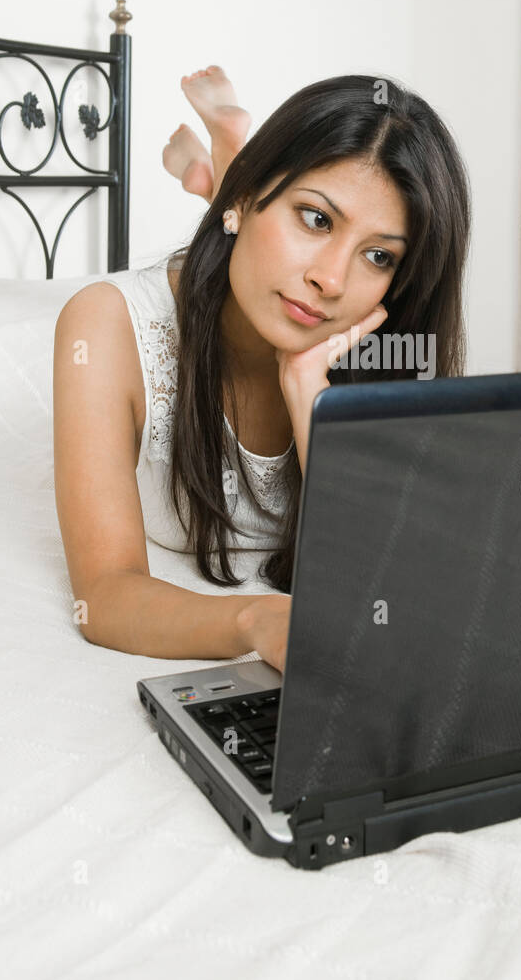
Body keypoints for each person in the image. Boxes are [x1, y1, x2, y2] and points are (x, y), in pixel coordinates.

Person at [53, 66, 471, 670]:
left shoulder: (384, 351)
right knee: (243, 257)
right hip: (232, 225)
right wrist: (260, 619)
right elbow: (104, 595)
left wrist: (309, 398)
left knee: (263, 266)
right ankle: (225, 161)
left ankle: (228, 164)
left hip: (248, 223)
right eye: (317, 219)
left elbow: (394, 592)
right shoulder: (104, 327)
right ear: (247, 198)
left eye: (378, 255)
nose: (332, 280)